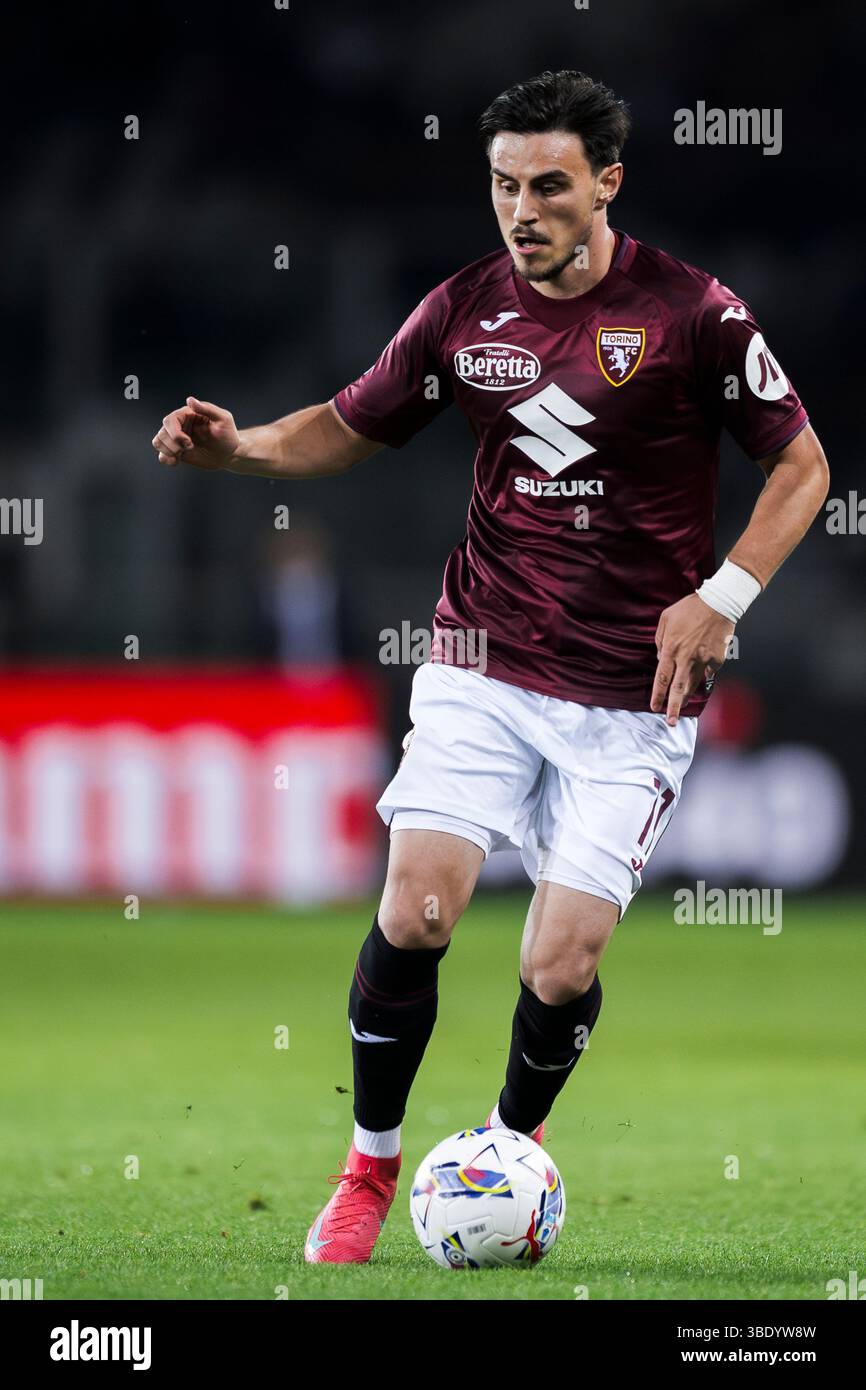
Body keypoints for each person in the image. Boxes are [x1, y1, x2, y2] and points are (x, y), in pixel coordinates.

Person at [152, 69, 830, 1266]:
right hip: (483, 655)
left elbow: (802, 468)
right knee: (415, 906)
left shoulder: (692, 314)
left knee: (556, 961)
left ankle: (504, 1151)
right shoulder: (461, 311)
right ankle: (367, 1165)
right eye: (503, 185)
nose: (522, 209)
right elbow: (347, 423)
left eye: (550, 186)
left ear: (606, 182)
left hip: (633, 694)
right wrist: (243, 448)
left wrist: (719, 599)